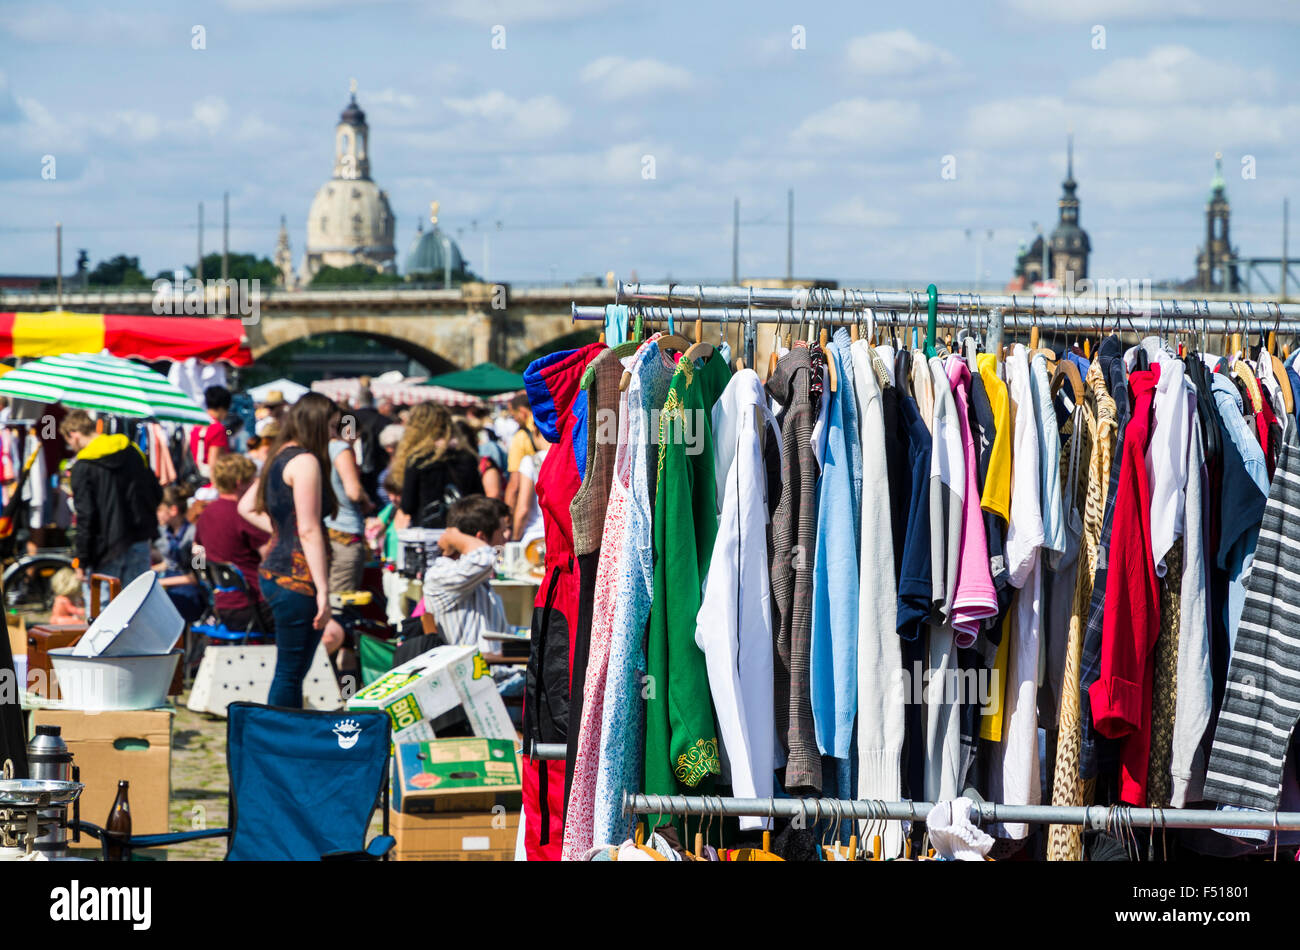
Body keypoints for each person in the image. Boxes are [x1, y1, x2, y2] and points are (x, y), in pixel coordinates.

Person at [238, 392, 340, 708]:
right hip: (296, 580)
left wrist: (283, 533)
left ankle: (282, 734)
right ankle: (279, 737)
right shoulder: (305, 461)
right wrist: (324, 591)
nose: (335, 435)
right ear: (317, 425)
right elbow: (309, 530)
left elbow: (245, 506)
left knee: (293, 671)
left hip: (277, 572)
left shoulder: (279, 455)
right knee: (290, 673)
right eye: (332, 427)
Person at [61, 409, 162, 602]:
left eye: (68, 441)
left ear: (73, 434)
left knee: (103, 613)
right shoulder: (131, 449)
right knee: (136, 605)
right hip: (139, 539)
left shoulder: (82, 466)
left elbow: (86, 516)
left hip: (105, 549)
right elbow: (156, 493)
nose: (71, 447)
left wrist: (81, 559)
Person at [195, 453, 273, 635]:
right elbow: (269, 557)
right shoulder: (245, 515)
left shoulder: (206, 513)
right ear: (239, 482)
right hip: (255, 606)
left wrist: (206, 578)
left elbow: (197, 552)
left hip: (222, 606)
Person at [422, 495, 510, 648]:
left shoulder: (473, 574)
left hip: (499, 666)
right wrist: (454, 537)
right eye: (501, 533)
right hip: (475, 670)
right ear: (481, 538)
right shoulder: (440, 575)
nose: (504, 541)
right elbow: (486, 557)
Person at [394, 403, 482, 529]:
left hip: (429, 532)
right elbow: (478, 495)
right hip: (463, 530)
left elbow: (408, 505)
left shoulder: (418, 459)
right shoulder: (466, 456)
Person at [325, 409, 373, 595]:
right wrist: (366, 501)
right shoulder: (342, 449)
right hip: (346, 532)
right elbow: (353, 492)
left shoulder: (324, 448)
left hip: (329, 528)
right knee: (340, 600)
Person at [153, 485, 206, 624]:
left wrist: (160, 582)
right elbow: (168, 563)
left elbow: (198, 575)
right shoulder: (165, 532)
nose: (156, 513)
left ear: (173, 510)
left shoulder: (196, 535)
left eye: (159, 510)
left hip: (190, 590)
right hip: (170, 584)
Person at [504, 392, 540, 510]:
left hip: (532, 505)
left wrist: (508, 516)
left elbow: (515, 484)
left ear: (522, 411)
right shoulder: (548, 426)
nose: (514, 419)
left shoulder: (520, 437)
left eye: (514, 415)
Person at [189, 385, 232, 479]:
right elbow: (214, 464)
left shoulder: (196, 426)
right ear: (222, 408)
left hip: (195, 478)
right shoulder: (217, 428)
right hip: (211, 482)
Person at [511, 442, 548, 548]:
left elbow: (523, 509)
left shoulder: (530, 462)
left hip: (533, 539)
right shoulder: (569, 457)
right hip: (560, 536)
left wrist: (515, 538)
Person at [375, 423, 404, 506]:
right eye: (387, 446)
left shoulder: (404, 463)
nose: (389, 450)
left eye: (393, 446)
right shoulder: (387, 460)